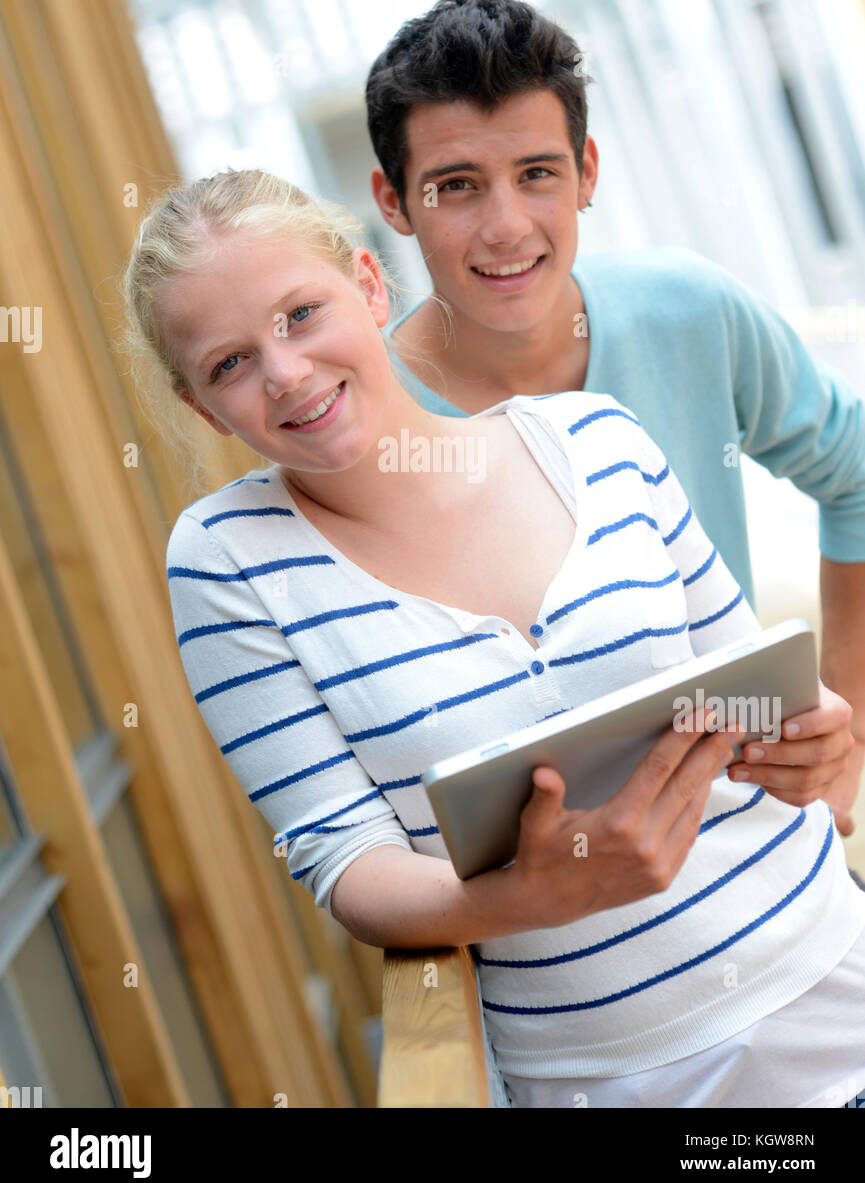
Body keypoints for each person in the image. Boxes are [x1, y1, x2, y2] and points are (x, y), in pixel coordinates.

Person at [121, 168, 865, 1108]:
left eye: (300, 315)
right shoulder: (228, 564)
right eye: (228, 364)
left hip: (840, 994)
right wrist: (522, 900)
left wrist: (815, 740)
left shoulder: (596, 439)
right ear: (199, 408)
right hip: (620, 1087)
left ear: (369, 284)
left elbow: (756, 697)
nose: (284, 374)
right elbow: (346, 861)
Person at [365, 0, 865, 839]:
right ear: (393, 202)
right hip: (536, 900)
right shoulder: (356, 423)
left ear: (585, 171)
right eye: (456, 187)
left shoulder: (688, 310)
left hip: (756, 838)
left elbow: (853, 476)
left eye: (536, 175)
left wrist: (841, 727)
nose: (505, 226)